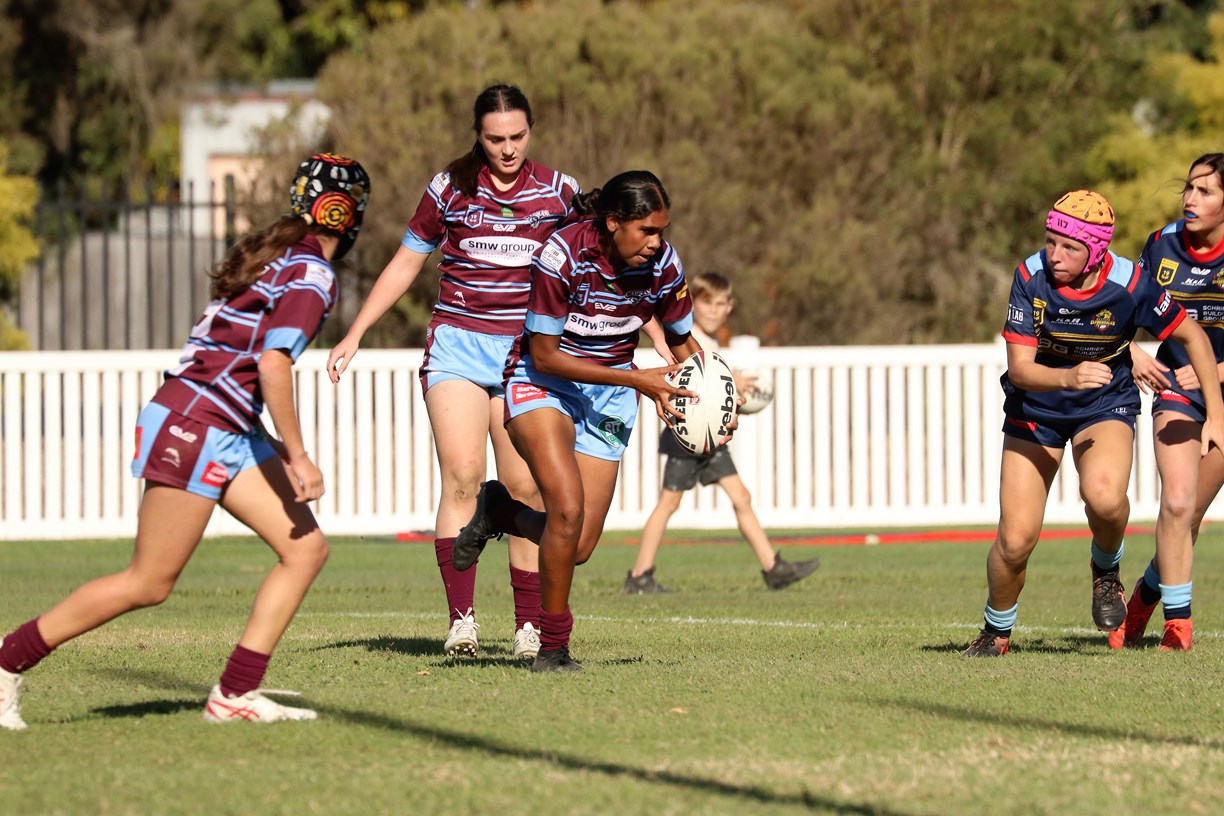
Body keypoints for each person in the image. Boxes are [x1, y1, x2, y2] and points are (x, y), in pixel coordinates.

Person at [0, 153, 371, 729]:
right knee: (147, 583)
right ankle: (7, 661)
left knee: (304, 549)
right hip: (196, 427)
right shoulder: (313, 273)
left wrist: (266, 440)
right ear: (348, 217)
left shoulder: (278, 258)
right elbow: (273, 363)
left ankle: (234, 696)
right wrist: (298, 455)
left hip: (220, 426)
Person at [326, 85, 579, 660]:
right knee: (463, 475)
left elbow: (590, 267)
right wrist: (356, 330)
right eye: (495, 139)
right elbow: (406, 262)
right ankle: (461, 623)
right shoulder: (450, 188)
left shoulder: (559, 193)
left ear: (530, 131)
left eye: (517, 137)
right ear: (478, 135)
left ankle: (528, 629)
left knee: (523, 487)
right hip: (458, 351)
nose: (507, 149)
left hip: (523, 357)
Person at [449, 170, 710, 672]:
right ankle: (553, 648)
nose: (658, 243)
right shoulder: (561, 256)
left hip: (611, 394)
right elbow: (544, 356)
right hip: (542, 380)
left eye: (663, 231)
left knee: (580, 544)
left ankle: (500, 512)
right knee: (565, 512)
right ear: (613, 222)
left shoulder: (665, 267)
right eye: (647, 231)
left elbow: (681, 344)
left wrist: (710, 402)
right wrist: (638, 380)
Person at [962, 189, 1224, 658]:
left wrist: (1217, 415)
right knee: (1016, 539)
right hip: (1036, 407)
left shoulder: (1131, 283)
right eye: (1050, 241)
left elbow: (1193, 338)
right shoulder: (1030, 275)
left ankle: (1106, 572)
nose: (1054, 255)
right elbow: (1020, 369)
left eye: (1069, 247)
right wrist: (1068, 375)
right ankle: (995, 632)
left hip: (1105, 404)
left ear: (1097, 251)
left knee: (1104, 499)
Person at [624, 272, 821, 594]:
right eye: (707, 303)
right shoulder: (687, 335)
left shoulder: (711, 341)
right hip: (687, 435)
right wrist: (733, 380)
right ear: (693, 305)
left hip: (710, 437)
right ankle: (639, 575)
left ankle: (773, 568)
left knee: (741, 497)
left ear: (729, 307)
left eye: (721, 304)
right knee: (668, 504)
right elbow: (692, 381)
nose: (714, 311)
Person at [1113, 153, 1224, 651]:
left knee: (1190, 518)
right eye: (1189, 188)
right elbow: (1116, 311)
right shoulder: (1161, 244)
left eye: (1206, 191)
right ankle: (1178, 630)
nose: (1191, 199)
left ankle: (1141, 602)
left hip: (1219, 397)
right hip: (1178, 394)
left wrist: (1212, 376)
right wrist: (1131, 350)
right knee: (1176, 504)